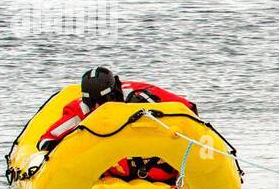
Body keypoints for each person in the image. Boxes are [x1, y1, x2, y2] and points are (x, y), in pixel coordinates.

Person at [37, 66, 196, 182]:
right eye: (94, 102)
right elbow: (47, 140)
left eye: (103, 101)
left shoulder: (142, 94)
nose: (99, 108)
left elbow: (189, 109)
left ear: (115, 93)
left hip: (158, 166)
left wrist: (156, 111)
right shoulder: (81, 109)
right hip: (115, 170)